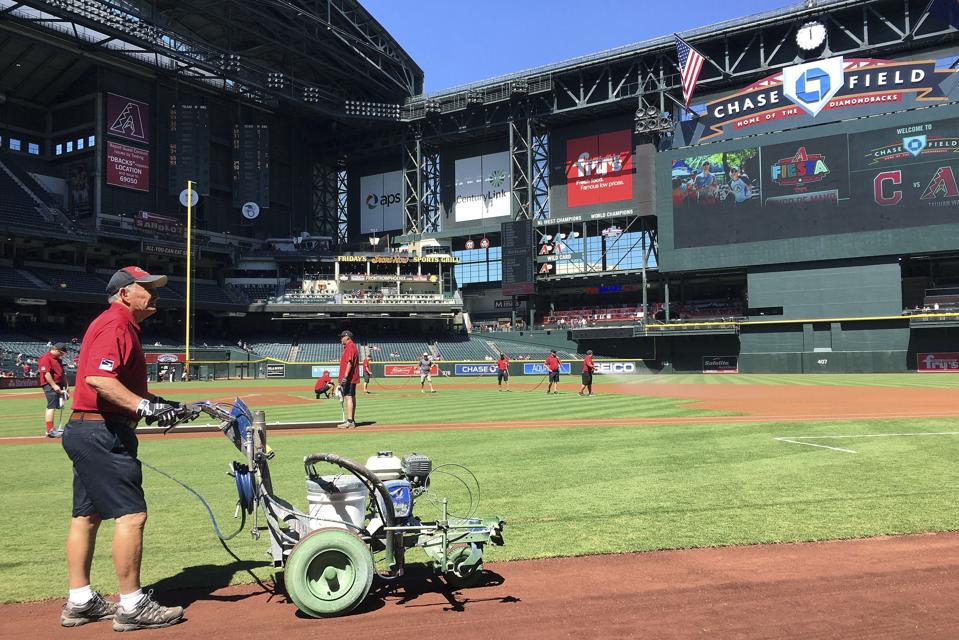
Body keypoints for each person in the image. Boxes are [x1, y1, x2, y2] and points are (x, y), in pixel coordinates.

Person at [59, 266, 191, 631]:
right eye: (145, 288)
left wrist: (159, 403)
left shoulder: (119, 324)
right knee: (131, 516)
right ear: (123, 294)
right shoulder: (116, 323)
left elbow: (120, 385)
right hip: (103, 433)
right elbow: (99, 379)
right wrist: (144, 407)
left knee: (85, 517)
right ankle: (132, 605)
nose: (154, 294)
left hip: (89, 430)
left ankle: (80, 601)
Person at [39, 342, 70, 437]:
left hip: (59, 384)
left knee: (58, 406)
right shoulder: (45, 358)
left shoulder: (58, 360)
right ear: (55, 350)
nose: (61, 355)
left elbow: (62, 374)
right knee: (51, 406)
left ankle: (54, 429)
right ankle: (50, 430)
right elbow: (46, 374)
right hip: (49, 385)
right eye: (61, 353)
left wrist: (67, 386)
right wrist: (54, 386)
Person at [337, 330, 359, 428]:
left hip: (349, 378)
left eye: (342, 337)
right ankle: (351, 420)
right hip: (351, 377)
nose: (341, 338)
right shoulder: (350, 346)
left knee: (348, 397)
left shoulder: (350, 346)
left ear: (347, 337)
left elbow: (349, 362)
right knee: (351, 397)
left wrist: (345, 376)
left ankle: (350, 421)